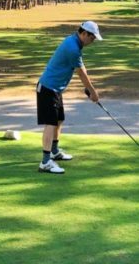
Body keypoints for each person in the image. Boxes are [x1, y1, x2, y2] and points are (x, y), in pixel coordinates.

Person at [36, 20, 102, 174]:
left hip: (55, 89)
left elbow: (81, 66)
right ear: (84, 33)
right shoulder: (73, 47)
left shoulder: (74, 42)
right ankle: (45, 162)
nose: (92, 42)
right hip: (47, 88)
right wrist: (92, 91)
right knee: (51, 123)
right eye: (92, 38)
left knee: (59, 120)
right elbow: (81, 73)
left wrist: (90, 89)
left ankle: (54, 151)